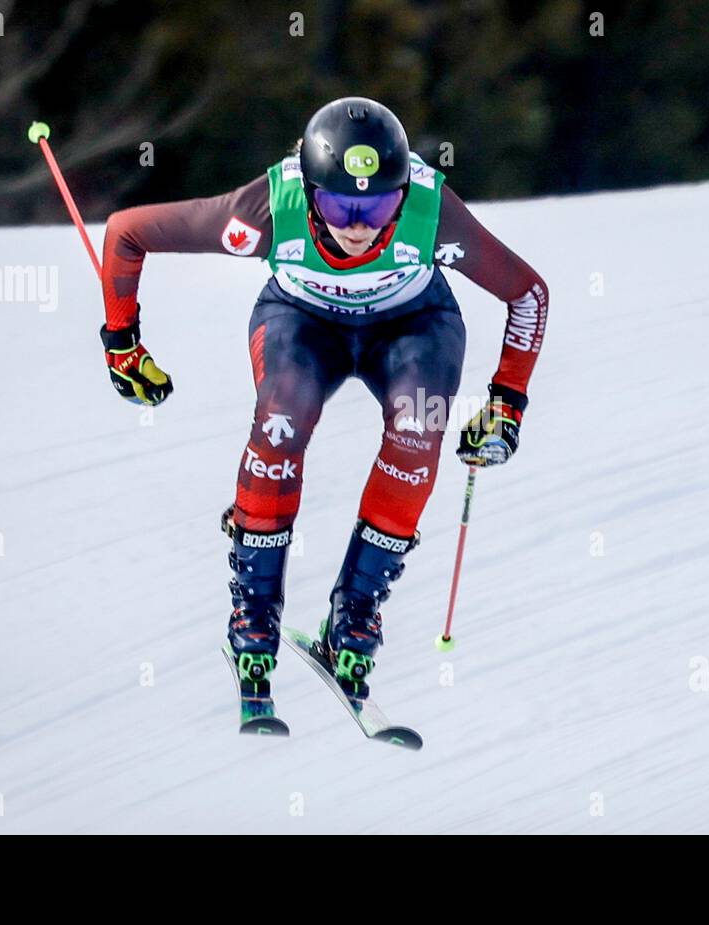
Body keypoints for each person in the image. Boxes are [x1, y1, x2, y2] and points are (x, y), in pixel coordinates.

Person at [97, 97, 547, 705]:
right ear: (310, 192)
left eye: (380, 203)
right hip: (302, 323)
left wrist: (506, 404)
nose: (359, 224)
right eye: (340, 204)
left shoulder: (431, 210)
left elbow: (528, 294)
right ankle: (253, 616)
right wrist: (122, 344)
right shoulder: (264, 212)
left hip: (411, 326)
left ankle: (354, 618)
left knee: (419, 433)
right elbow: (127, 232)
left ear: (402, 190)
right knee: (282, 419)